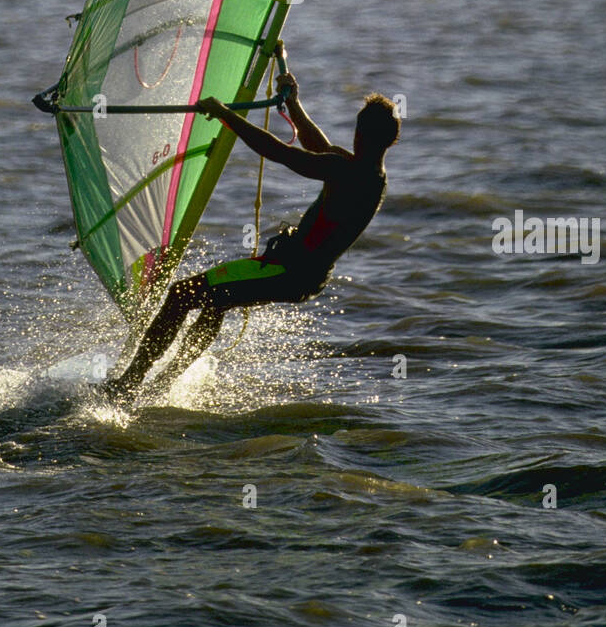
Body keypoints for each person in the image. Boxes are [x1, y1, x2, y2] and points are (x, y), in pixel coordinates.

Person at [106, 74, 401, 403]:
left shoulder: (347, 171)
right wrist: (293, 104)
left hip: (286, 271)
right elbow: (319, 147)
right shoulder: (372, 175)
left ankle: (128, 384)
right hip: (302, 275)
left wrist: (225, 115)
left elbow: (281, 153)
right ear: (389, 141)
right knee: (216, 303)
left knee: (179, 295)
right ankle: (164, 382)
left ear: (360, 133)